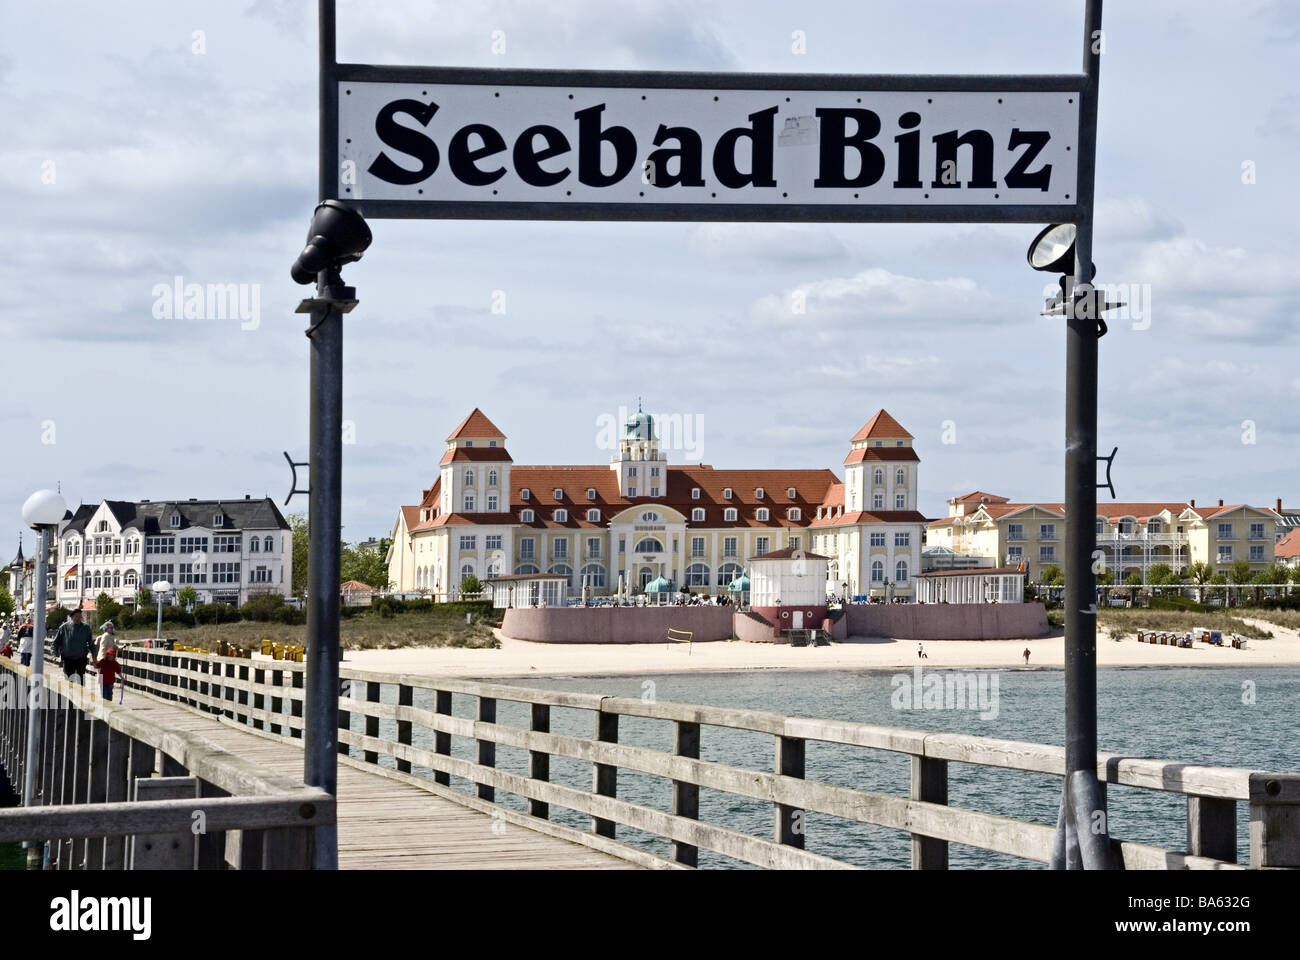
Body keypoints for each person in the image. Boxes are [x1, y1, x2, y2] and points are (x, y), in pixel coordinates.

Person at [52, 609, 97, 685]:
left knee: (81, 681)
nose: (78, 618)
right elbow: (55, 643)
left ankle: (80, 696)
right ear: (72, 617)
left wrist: (94, 657)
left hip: (81, 658)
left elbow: (91, 644)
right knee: (69, 681)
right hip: (68, 658)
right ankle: (69, 696)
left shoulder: (86, 628)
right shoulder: (64, 627)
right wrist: (54, 655)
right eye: (76, 616)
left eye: (80, 616)